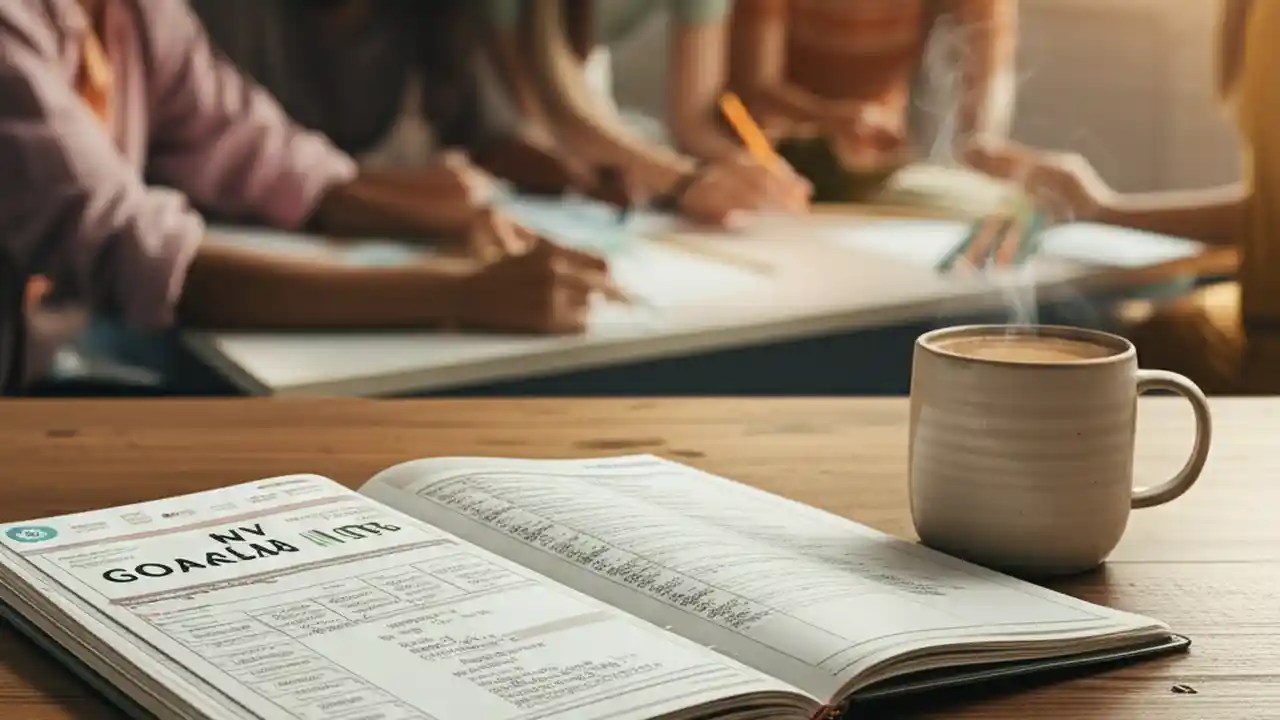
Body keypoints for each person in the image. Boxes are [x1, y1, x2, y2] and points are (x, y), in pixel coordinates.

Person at [0, 0, 615, 390]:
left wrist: (444, 218)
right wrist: (462, 293)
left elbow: (256, 145)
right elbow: (134, 250)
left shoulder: (139, 14)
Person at [966, 0, 1274, 394]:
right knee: (1160, 329)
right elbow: (1268, 208)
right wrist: (1104, 209)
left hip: (1269, 337)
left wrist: (1105, 210)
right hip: (1255, 314)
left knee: (1100, 352)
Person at [479, 0, 813, 224]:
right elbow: (538, 109)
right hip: (468, 119)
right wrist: (683, 180)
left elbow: (694, 120)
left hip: (577, 106)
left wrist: (748, 172)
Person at [729, 0, 1018, 172]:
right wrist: (829, 118)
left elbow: (988, 58)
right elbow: (754, 90)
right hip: (764, 158)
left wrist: (985, 143)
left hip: (879, 166)